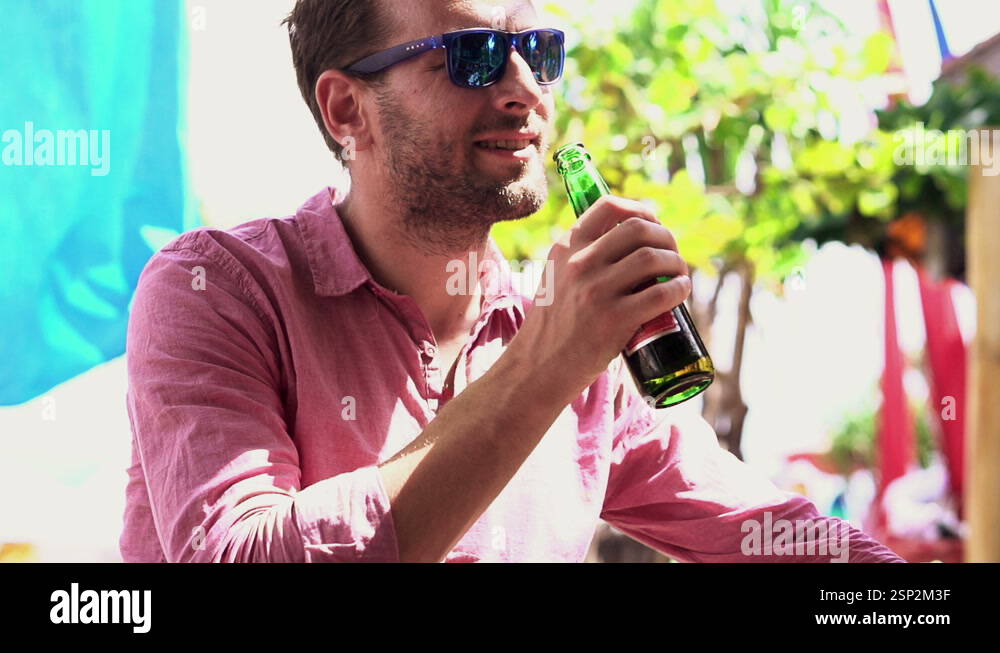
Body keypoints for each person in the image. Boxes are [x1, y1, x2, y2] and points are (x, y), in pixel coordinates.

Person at [120, 0, 904, 563]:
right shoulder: (215, 291)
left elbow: (780, 537)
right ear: (345, 108)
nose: (527, 88)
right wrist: (546, 365)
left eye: (542, 52)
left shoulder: (573, 344)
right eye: (474, 56)